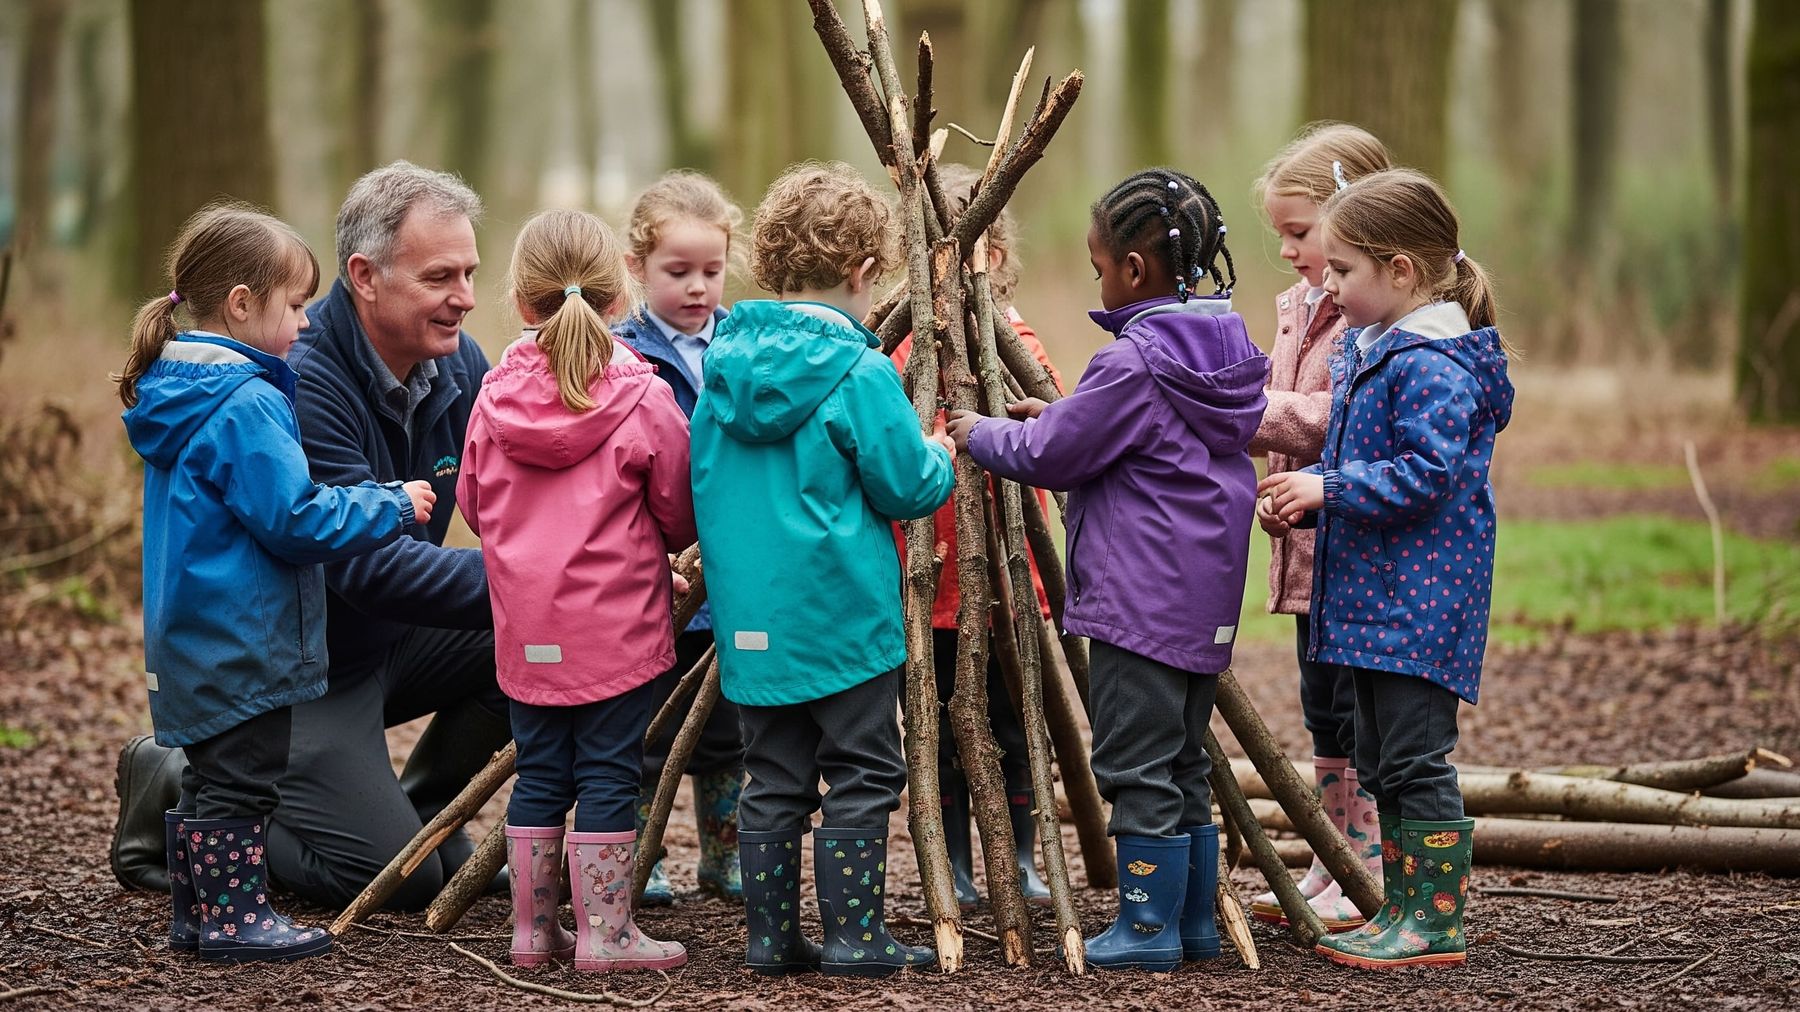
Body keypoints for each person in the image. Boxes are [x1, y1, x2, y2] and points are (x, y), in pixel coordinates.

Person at [111, 161, 510, 911]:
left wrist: (588, 565)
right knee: (398, 883)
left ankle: (417, 815)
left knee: (540, 635)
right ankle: (178, 789)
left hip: (393, 642)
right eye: (439, 277)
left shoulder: (459, 368)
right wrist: (539, 580)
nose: (464, 297)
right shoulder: (295, 376)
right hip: (304, 663)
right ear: (364, 275)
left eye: (469, 272)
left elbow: (516, 505)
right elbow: (366, 568)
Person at [948, 168, 1268, 973]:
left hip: (1139, 603)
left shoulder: (1133, 362)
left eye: (1098, 268)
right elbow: (1120, 436)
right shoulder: (1222, 350)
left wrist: (978, 431)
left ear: (1132, 269)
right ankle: (1191, 926)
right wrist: (1059, 416)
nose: (1099, 280)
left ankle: (1146, 930)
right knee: (1184, 760)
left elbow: (1056, 455)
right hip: (1203, 605)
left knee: (1132, 764)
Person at [692, 161, 954, 978]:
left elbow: (694, 483)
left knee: (771, 774)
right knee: (865, 770)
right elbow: (905, 486)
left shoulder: (721, 370)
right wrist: (940, 453)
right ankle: (853, 936)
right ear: (864, 272)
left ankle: (771, 940)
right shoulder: (860, 371)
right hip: (844, 618)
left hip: (751, 623)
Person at [1258, 168, 1514, 970]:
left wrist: (1325, 487)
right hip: (1377, 604)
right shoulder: (1385, 348)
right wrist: (1307, 496)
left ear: (1400, 271)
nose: (1326, 287)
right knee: (1378, 756)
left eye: (1342, 272)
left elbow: (1427, 475)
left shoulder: (1432, 363)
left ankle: (1435, 921)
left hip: (1420, 604)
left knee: (1412, 760)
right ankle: (1402, 908)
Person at [459, 209, 696, 971]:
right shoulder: (642, 395)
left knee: (540, 772)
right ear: (620, 295)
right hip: (617, 631)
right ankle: (607, 934)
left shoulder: (492, 397)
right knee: (606, 772)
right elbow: (679, 505)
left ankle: (532, 934)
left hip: (527, 629)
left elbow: (472, 500)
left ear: (523, 301)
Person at [889, 162, 1065, 911]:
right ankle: (955, 865)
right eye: (946, 249)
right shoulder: (897, 356)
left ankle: (1021, 858)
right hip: (925, 591)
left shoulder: (1019, 343)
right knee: (939, 743)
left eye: (980, 245)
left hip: (1006, 584)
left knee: (1018, 730)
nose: (965, 264)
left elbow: (1058, 429)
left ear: (999, 254)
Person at [1245, 123, 1393, 933]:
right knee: (1323, 713)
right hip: (1304, 549)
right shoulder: (1299, 307)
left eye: (1300, 234)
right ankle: (1334, 856)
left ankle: (1365, 859)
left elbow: (1345, 416)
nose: (1293, 254)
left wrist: (1250, 416)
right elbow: (1279, 404)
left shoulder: (1374, 317)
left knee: (1357, 708)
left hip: (1354, 550)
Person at [610, 170, 745, 905]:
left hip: (727, 577)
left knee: (728, 729)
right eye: (678, 271)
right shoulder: (618, 353)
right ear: (636, 267)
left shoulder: (744, 345)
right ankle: (643, 857)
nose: (698, 288)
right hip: (651, 575)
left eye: (712, 271)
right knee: (646, 728)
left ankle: (725, 854)